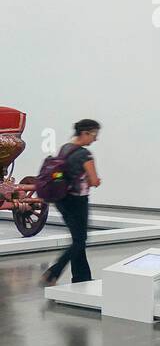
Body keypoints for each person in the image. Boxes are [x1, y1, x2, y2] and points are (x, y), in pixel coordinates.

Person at [42, 119, 101, 285]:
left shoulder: (65, 148)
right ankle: (54, 271)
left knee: (77, 239)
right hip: (78, 201)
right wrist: (95, 181)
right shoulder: (85, 155)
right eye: (94, 135)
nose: (95, 139)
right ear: (85, 133)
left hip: (62, 199)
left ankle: (82, 278)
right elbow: (94, 180)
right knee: (80, 240)